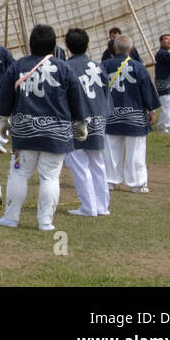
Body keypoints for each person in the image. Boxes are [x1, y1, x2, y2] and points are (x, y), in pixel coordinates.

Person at [0, 24, 86, 231]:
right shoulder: (64, 68)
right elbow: (77, 99)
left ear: (30, 44)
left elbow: (5, 97)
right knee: (50, 176)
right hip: (57, 132)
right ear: (54, 46)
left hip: (24, 131)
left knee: (19, 173)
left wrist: (4, 120)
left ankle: (11, 217)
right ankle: (45, 221)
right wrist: (80, 122)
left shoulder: (17, 67)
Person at [61, 28, 111, 217]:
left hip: (76, 120)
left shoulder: (65, 67)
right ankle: (102, 206)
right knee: (97, 164)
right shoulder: (98, 66)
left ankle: (89, 207)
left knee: (79, 164)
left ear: (67, 46)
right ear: (87, 44)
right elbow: (106, 95)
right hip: (97, 118)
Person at [102, 34, 159, 193]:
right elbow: (147, 90)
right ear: (131, 49)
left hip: (111, 115)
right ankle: (137, 183)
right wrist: (152, 111)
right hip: (135, 115)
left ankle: (110, 181)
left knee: (111, 150)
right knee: (136, 151)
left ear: (114, 48)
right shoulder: (138, 67)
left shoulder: (104, 66)